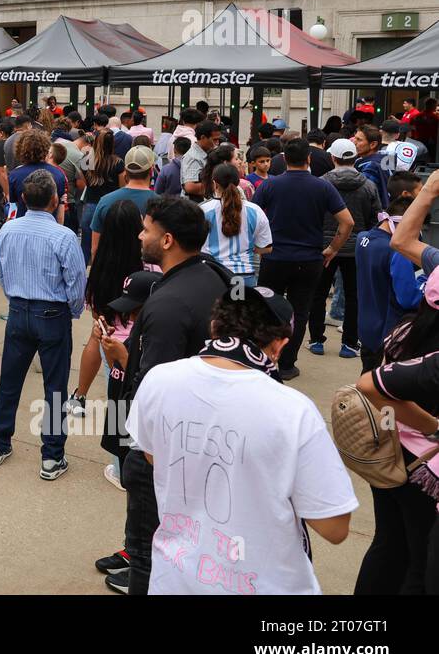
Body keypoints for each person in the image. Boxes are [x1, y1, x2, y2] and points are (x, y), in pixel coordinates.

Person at [126, 286, 356, 594]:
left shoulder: (159, 380)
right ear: (279, 346)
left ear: (214, 327)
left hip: (175, 579)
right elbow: (334, 526)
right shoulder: (293, 410)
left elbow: (153, 456)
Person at [112, 196, 232, 594]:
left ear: (166, 241)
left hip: (166, 450)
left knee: (147, 553)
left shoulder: (165, 304)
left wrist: (143, 459)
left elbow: (155, 388)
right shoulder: (218, 273)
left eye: (146, 228)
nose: (140, 234)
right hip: (209, 434)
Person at [0, 170, 86, 479]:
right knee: (55, 386)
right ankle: (52, 456)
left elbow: (2, 270)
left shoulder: (8, 229)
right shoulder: (64, 235)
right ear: (55, 199)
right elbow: (76, 282)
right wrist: (72, 310)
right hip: (52, 313)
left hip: (18, 310)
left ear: (24, 199)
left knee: (10, 380)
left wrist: (16, 297)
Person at [353, 273, 439, 593]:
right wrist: (432, 427)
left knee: (387, 543)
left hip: (385, 448)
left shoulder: (406, 328)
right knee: (419, 561)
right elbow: (375, 387)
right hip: (423, 467)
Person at [252, 138, 354, 380]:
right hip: (309, 259)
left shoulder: (270, 186)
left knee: (266, 308)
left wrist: (259, 247)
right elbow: (347, 222)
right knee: (300, 311)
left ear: (284, 159)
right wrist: (332, 248)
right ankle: (287, 364)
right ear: (308, 159)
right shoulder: (323, 187)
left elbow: (253, 216)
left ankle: (262, 360)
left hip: (274, 257)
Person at [67, 199, 148, 423]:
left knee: (117, 408)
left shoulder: (100, 265)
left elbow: (96, 313)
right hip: (139, 346)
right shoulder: (150, 264)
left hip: (110, 342)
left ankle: (79, 395)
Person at [306, 138, 381, 359]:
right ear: (354, 158)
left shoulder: (320, 183)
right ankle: (349, 343)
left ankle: (317, 340)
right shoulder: (368, 185)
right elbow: (376, 218)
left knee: (318, 295)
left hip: (325, 247)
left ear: (333, 158)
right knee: (354, 296)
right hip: (357, 247)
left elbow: (313, 217)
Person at [359, 175, 426, 374]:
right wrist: (425, 282)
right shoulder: (398, 252)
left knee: (366, 379)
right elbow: (408, 298)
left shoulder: (364, 239)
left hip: (366, 326)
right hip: (388, 330)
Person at [200, 163, 273, 287]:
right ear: (239, 182)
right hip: (244, 276)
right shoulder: (254, 210)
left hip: (213, 274)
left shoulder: (203, 211)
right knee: (240, 306)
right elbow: (267, 247)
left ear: (215, 184)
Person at [89, 146, 156, 257]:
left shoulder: (105, 201)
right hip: (147, 271)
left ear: (126, 170)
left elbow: (95, 249)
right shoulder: (161, 204)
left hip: (112, 270)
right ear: (151, 170)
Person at [354, 124, 389, 209]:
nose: (354, 142)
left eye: (359, 140)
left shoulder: (371, 166)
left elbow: (361, 193)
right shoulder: (386, 159)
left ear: (373, 144)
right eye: (355, 138)